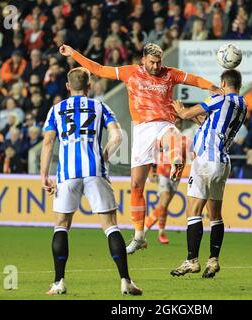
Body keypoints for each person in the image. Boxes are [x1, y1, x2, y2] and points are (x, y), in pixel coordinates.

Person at [59, 43, 220, 254]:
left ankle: (176, 160)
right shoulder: (130, 72)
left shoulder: (170, 74)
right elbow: (98, 69)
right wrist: (73, 53)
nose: (155, 66)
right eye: (152, 62)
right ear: (143, 59)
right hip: (141, 130)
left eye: (158, 61)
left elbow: (195, 80)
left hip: (164, 123)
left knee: (172, 135)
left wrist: (213, 88)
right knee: (136, 185)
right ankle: (139, 236)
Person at [40, 67, 142, 296]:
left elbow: (47, 142)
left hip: (66, 174)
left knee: (61, 226)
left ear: (68, 86)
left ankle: (58, 283)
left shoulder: (56, 110)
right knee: (110, 226)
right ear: (89, 86)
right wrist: (102, 157)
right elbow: (117, 136)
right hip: (95, 170)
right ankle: (126, 280)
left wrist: (44, 175)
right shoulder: (100, 106)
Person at [170, 69, 247, 278]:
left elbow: (185, 115)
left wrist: (180, 109)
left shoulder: (219, 98)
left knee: (193, 211)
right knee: (215, 215)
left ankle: (191, 260)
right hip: (222, 163)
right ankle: (213, 260)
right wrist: (193, 117)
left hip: (205, 160)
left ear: (222, 82)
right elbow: (210, 125)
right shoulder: (242, 105)